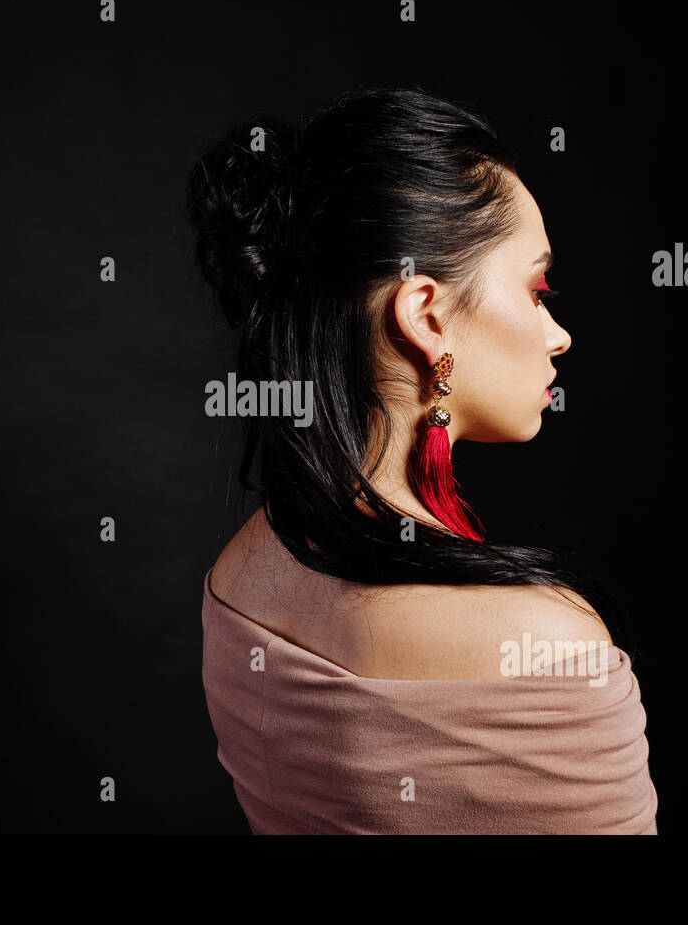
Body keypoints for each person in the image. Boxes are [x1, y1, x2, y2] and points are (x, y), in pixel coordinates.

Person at [187, 86, 658, 834]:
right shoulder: (553, 651)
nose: (559, 333)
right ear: (426, 316)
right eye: (537, 290)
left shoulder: (235, 581)